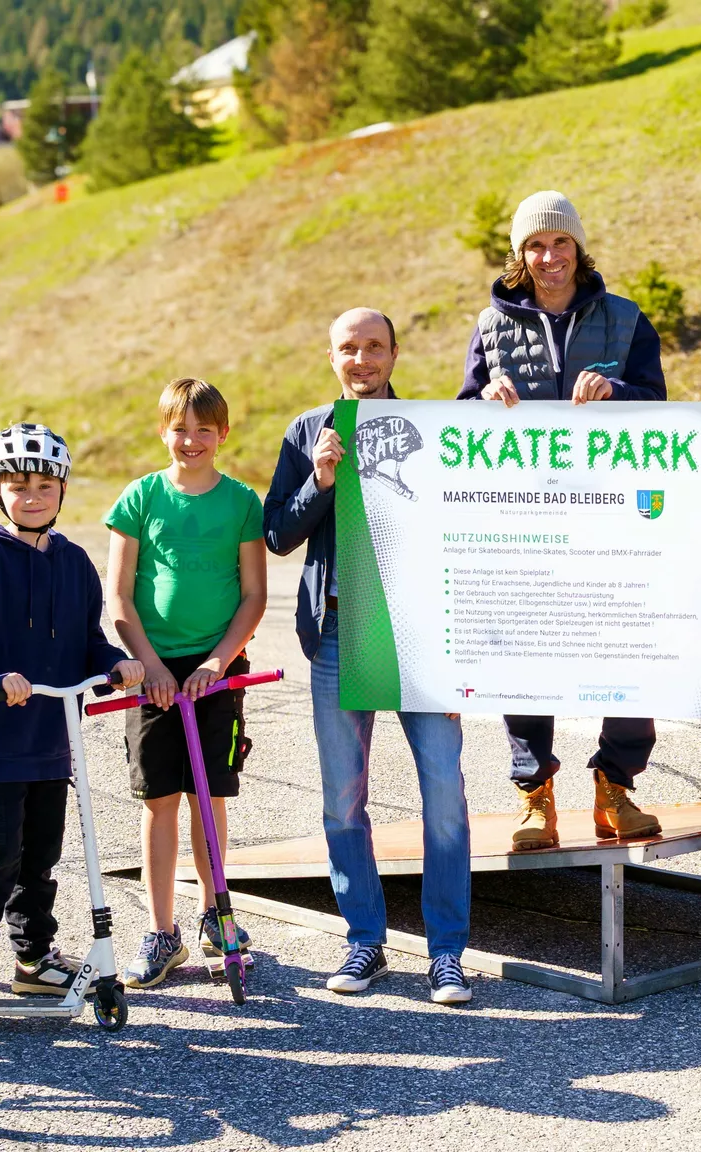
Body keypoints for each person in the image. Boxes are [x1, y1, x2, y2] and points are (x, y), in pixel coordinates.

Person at [264, 308, 475, 1005]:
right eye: (348, 348)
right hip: (337, 634)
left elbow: (469, 524)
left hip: (421, 636)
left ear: (394, 352)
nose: (362, 359)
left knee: (443, 795)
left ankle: (448, 953)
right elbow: (278, 535)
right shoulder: (308, 430)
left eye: (374, 347)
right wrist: (319, 481)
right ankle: (364, 940)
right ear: (332, 357)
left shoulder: (432, 427)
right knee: (343, 800)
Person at [458, 189, 670, 850]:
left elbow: (661, 409)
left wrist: (619, 393)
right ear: (520, 255)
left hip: (612, 520)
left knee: (631, 647)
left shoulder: (627, 320)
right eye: (535, 245)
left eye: (560, 243)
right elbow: (460, 424)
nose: (549, 257)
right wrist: (483, 401)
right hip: (525, 521)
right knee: (524, 656)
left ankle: (616, 787)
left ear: (578, 248)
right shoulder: (490, 328)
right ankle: (535, 797)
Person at [0, 424, 144, 1006]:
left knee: (40, 857)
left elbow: (87, 640)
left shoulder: (74, 563)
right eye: (18, 485)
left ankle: (32, 956)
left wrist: (114, 663)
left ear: (63, 490)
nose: (32, 497)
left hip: (55, 735)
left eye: (45, 485)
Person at [105, 378, 269, 988]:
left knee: (210, 797)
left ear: (222, 434)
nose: (191, 440)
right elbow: (119, 597)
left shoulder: (241, 502)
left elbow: (253, 596)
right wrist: (148, 666)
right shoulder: (140, 497)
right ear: (162, 431)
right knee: (159, 802)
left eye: (204, 429)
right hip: (151, 669)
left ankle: (215, 915)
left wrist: (217, 664)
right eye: (180, 428)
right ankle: (162, 930)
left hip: (216, 671)